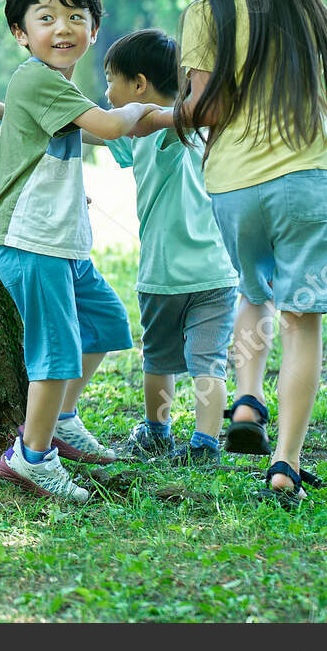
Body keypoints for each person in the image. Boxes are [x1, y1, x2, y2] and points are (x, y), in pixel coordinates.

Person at [139, 0, 327, 505]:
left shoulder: (204, 14)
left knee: (251, 290)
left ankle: (248, 398)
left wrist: (158, 115)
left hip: (234, 187)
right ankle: (285, 463)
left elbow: (205, 105)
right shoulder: (296, 2)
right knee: (302, 323)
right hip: (303, 179)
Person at [0, 0, 158, 504]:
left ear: (94, 30)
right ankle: (31, 457)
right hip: (31, 241)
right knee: (55, 352)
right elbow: (107, 126)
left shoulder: (51, 90)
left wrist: (171, 117)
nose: (63, 28)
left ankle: (62, 419)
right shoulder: (34, 77)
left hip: (62, 241)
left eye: (76, 17)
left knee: (104, 322)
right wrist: (148, 107)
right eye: (46, 17)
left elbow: (96, 133)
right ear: (20, 32)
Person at [94, 29, 239, 465]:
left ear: (138, 85)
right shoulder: (151, 132)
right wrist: (6, 110)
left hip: (167, 275)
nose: (106, 90)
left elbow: (176, 118)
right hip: (215, 273)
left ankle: (160, 432)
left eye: (110, 79)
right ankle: (203, 444)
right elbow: (82, 130)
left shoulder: (170, 129)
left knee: (160, 360)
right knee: (205, 362)